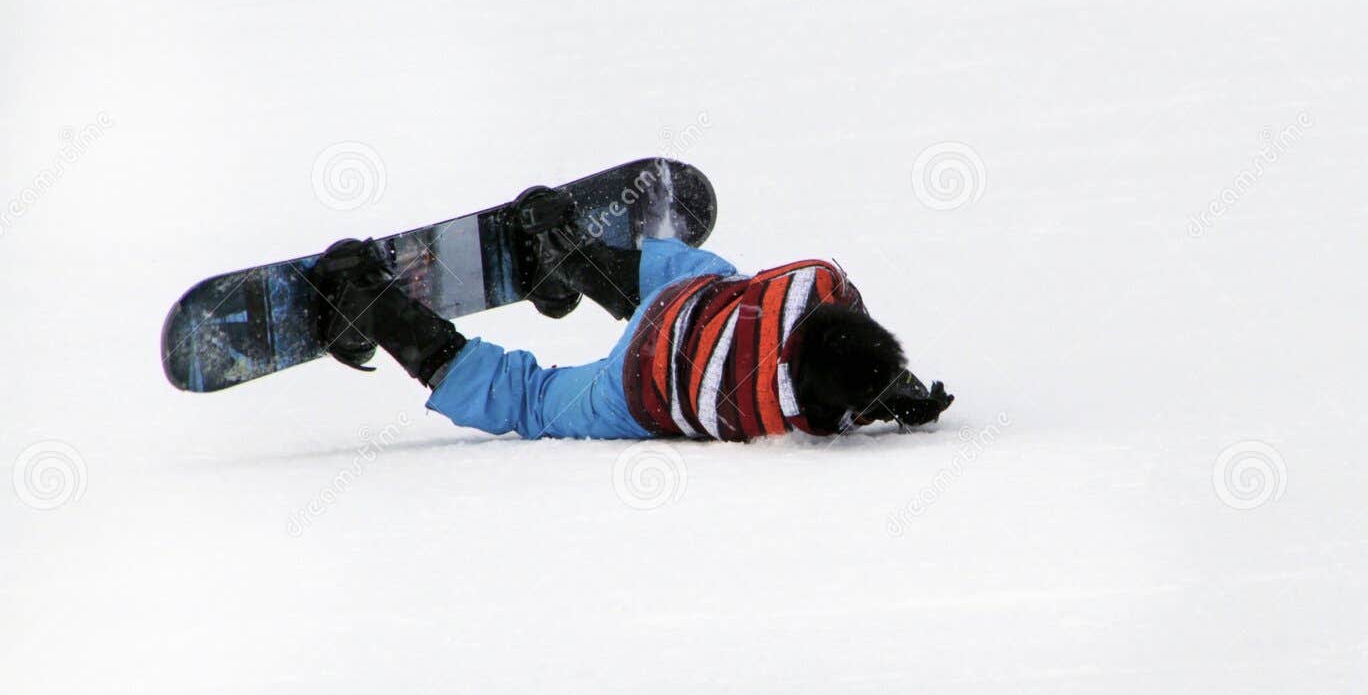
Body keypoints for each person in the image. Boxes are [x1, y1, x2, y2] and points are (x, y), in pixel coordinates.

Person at [307, 188, 953, 441]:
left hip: (687, 299)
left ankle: (574, 251)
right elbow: (832, 404)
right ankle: (379, 308)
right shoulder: (783, 413)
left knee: (712, 276)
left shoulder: (820, 281)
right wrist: (886, 400)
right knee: (533, 401)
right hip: (640, 382)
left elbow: (841, 328)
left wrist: (894, 378)